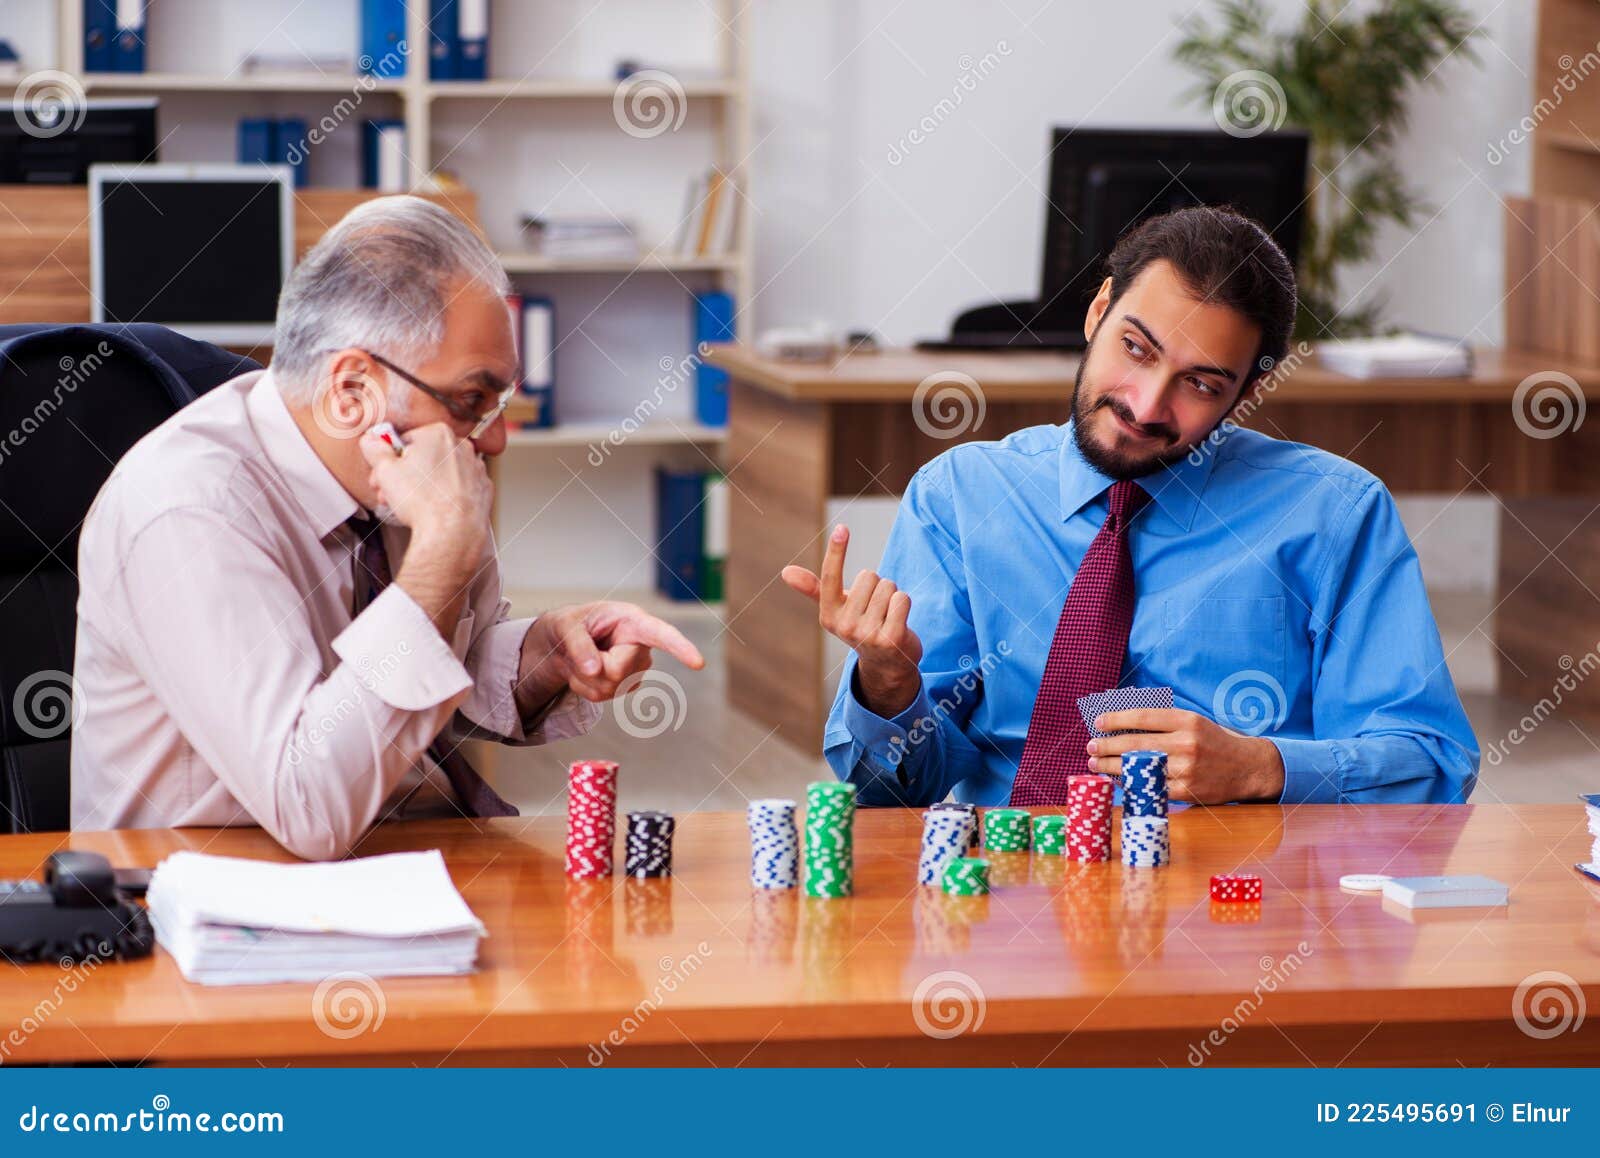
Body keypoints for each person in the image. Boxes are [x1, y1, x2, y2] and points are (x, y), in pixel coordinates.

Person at [72, 195, 703, 859]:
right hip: (207, 909)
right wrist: (440, 559)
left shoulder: (406, 483)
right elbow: (308, 804)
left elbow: (433, 677)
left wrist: (542, 657)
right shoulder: (190, 508)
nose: (491, 446)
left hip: (397, 871)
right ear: (351, 391)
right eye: (469, 402)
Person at [783, 205, 1478, 807]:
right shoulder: (961, 498)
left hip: (1230, 920)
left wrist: (1262, 767)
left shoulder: (1335, 515)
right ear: (1097, 310)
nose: (1146, 406)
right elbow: (885, 795)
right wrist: (888, 684)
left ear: (1248, 392)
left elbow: (1434, 762)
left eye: (1201, 384)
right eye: (1136, 348)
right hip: (1007, 910)